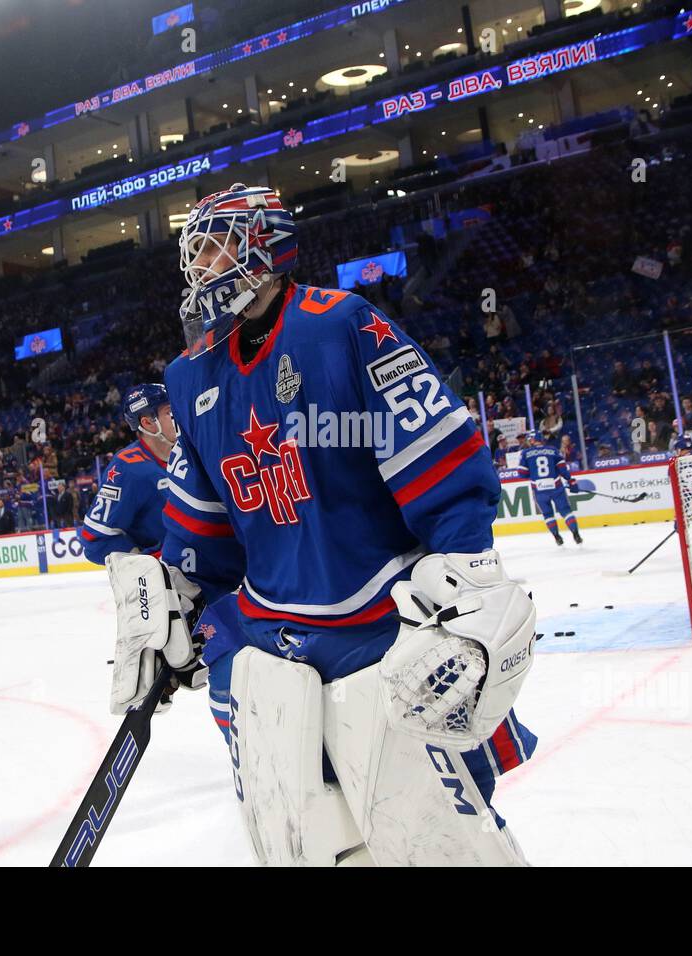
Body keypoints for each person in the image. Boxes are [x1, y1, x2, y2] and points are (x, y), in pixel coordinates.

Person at [109, 183, 537, 866]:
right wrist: (176, 602)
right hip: (266, 641)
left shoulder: (339, 324)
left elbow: (434, 446)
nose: (206, 264)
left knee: (437, 843)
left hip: (380, 627)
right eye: (199, 251)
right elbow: (203, 524)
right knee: (307, 844)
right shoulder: (187, 379)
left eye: (220, 244)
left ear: (267, 243)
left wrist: (468, 567)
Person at [77, 382, 175, 564]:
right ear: (147, 423)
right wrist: (149, 564)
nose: (179, 417)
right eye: (170, 412)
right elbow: (95, 540)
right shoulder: (128, 467)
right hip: (177, 584)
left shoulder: (188, 453)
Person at [516, 430, 582, 545]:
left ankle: (557, 537)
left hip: (539, 490)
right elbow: (562, 469)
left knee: (548, 515)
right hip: (556, 487)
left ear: (532, 439)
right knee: (566, 511)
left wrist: (533, 472)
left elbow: (521, 473)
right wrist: (570, 480)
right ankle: (576, 534)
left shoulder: (525, 453)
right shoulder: (553, 450)